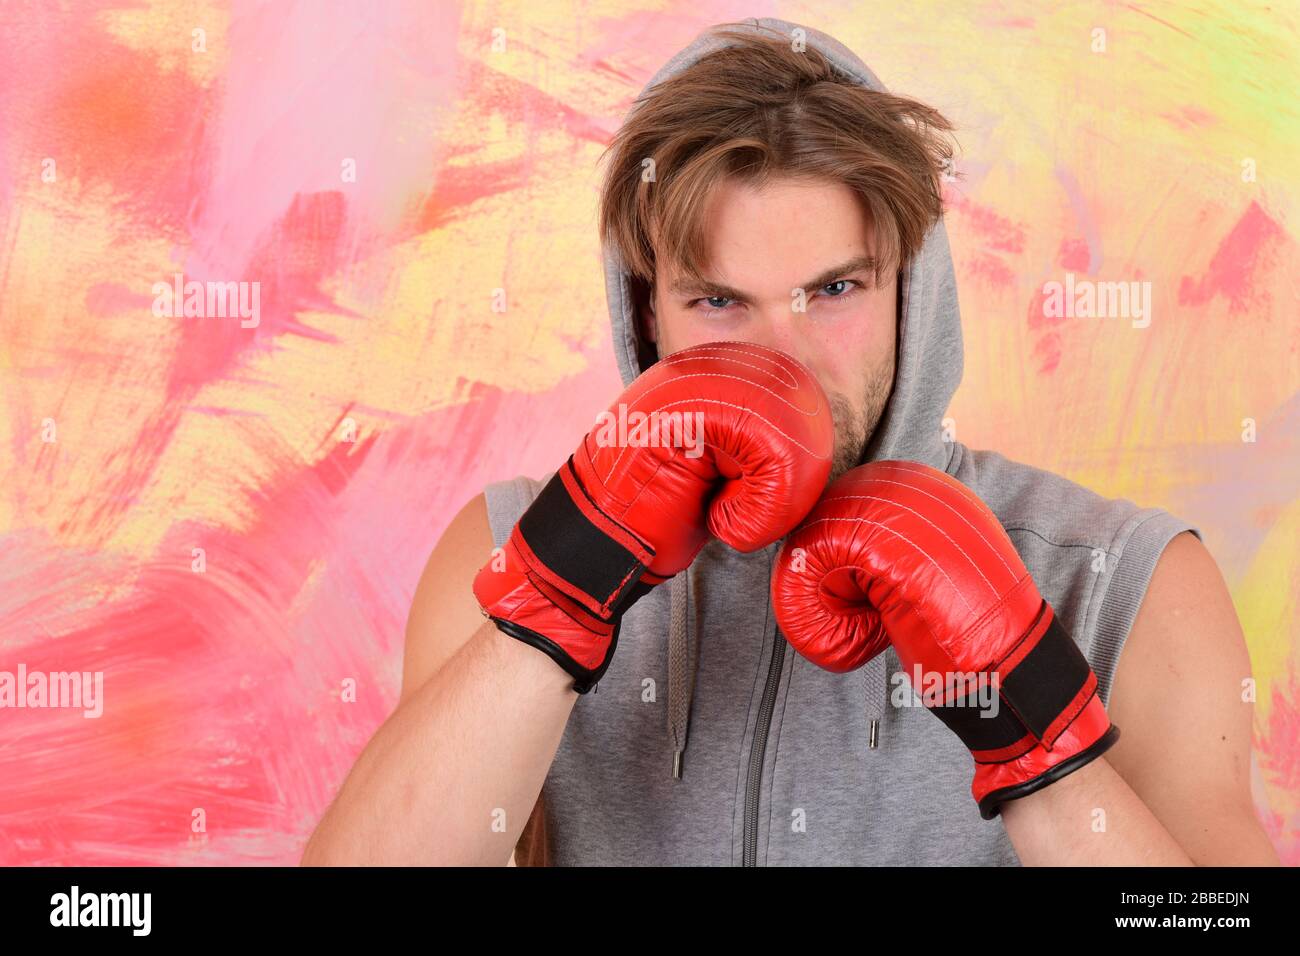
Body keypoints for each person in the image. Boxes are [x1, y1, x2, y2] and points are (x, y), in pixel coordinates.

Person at [302, 18, 1279, 866]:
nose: (784, 359)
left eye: (834, 290)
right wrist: (555, 601)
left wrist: (1036, 730)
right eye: (719, 300)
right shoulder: (505, 544)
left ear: (911, 289)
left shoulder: (1125, 582)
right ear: (648, 317)